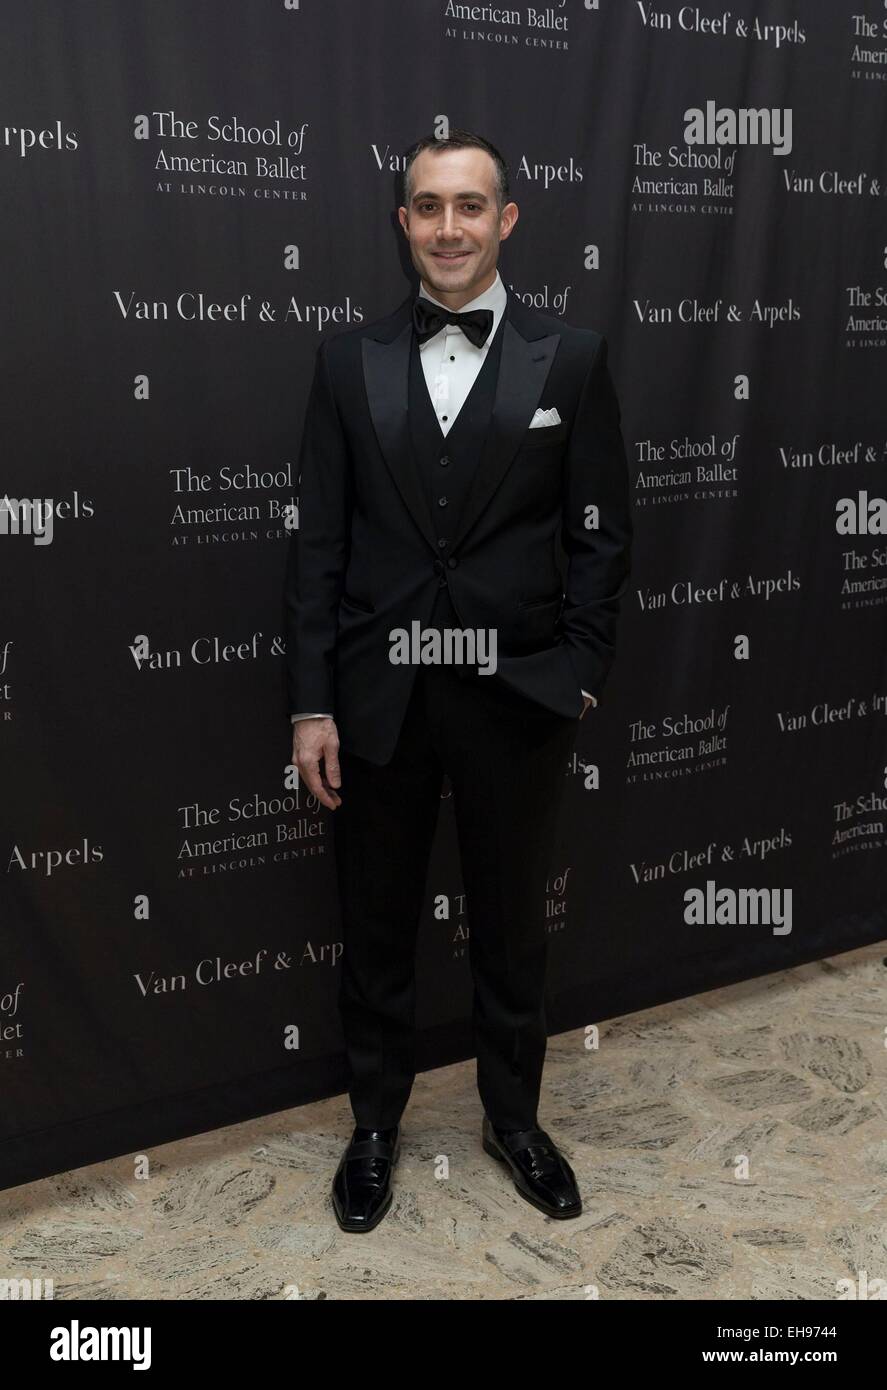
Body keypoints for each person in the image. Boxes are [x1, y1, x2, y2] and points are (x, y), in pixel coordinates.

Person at [283, 129, 632, 1232]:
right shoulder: (346, 360)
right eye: (427, 206)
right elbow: (317, 551)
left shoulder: (568, 359)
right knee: (374, 922)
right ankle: (375, 1125)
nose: (447, 227)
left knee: (512, 925)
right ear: (402, 222)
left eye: (469, 206)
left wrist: (574, 671)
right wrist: (310, 701)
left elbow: (602, 534)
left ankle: (513, 1120)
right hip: (377, 697)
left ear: (506, 219)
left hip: (515, 694)